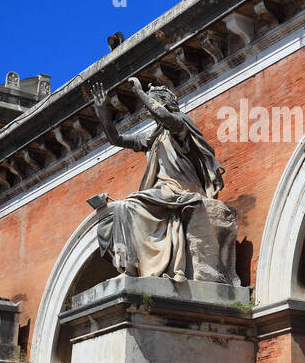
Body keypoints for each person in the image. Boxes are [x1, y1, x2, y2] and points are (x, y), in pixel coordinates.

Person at [88, 77, 225, 281]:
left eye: (151, 103)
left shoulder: (179, 123)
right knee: (113, 215)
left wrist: (140, 93)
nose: (147, 108)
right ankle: (130, 266)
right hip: (160, 191)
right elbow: (115, 139)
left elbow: (164, 116)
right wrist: (102, 113)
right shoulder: (151, 138)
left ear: (163, 103)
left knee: (129, 205)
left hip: (180, 188)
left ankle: (138, 267)